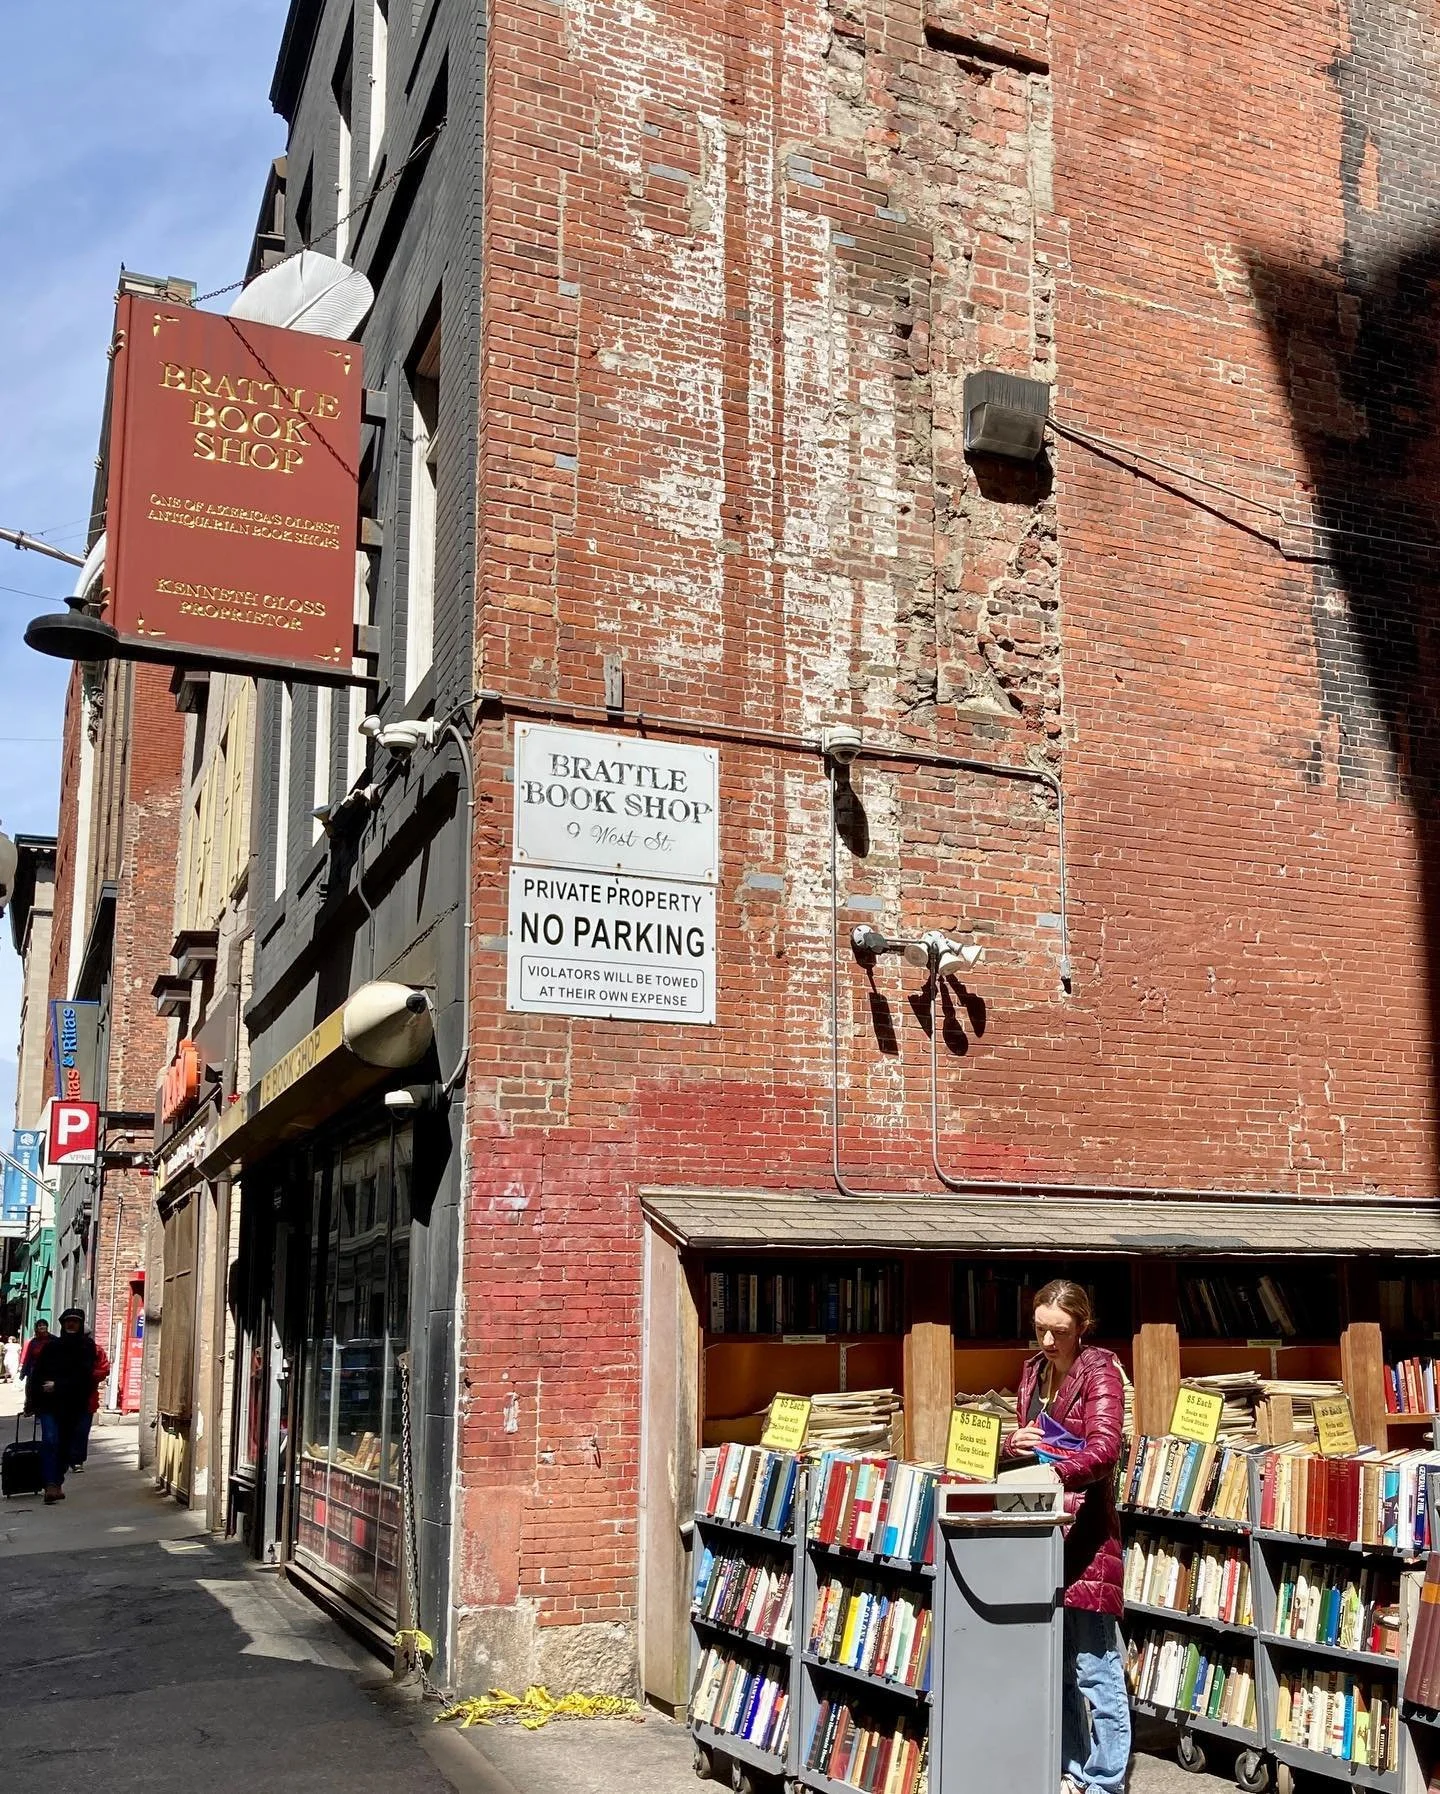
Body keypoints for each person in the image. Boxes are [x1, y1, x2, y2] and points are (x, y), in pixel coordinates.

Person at [1005, 1278, 1130, 1794]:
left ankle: (1106, 1781)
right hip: (1040, 1531)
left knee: (1095, 1665)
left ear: (1083, 1327)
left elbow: (1105, 1450)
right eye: (1040, 1329)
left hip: (1086, 1536)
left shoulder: (1100, 1371)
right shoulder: (1033, 1371)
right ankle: (1073, 1769)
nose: (1048, 1341)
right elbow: (1025, 1442)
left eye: (1059, 1331)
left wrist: (1054, 1471)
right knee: (1054, 1665)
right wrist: (1014, 1443)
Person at [28, 1308, 105, 1504]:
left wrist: (58, 1385)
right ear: (62, 1324)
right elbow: (37, 1374)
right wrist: (31, 1400)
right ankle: (50, 1484)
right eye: (68, 1321)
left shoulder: (87, 1348)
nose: (71, 1325)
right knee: (50, 1441)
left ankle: (56, 1481)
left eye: (75, 1322)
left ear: (80, 1325)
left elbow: (85, 1378)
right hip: (49, 1405)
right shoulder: (52, 1347)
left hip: (74, 1406)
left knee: (66, 1446)